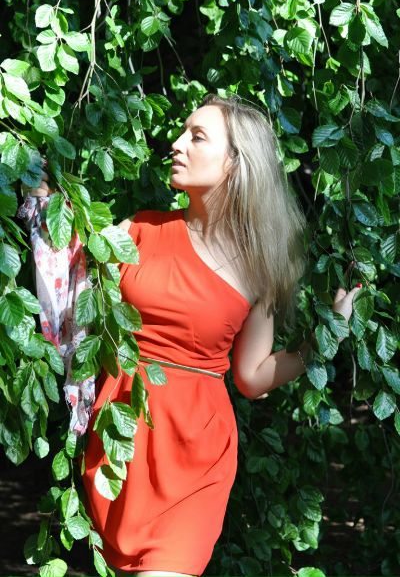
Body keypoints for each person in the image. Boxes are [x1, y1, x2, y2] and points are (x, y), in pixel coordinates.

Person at [28, 94, 360, 577]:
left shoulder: (259, 266)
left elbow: (251, 376)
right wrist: (43, 203)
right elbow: (70, 286)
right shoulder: (139, 230)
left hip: (196, 452)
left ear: (235, 163)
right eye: (183, 132)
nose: (177, 144)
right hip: (122, 437)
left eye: (197, 137)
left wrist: (327, 339)